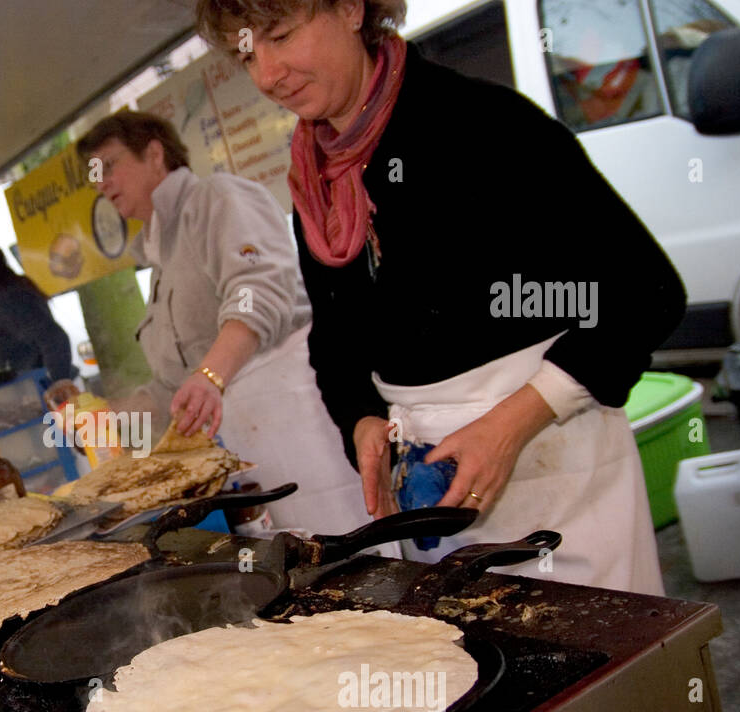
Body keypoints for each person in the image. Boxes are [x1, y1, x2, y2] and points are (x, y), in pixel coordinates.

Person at [197, 0, 685, 593]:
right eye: (248, 54)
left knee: (610, 670)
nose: (267, 74)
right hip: (430, 499)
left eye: (279, 36)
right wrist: (362, 421)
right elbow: (336, 340)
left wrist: (510, 424)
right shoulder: (320, 186)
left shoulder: (482, 123)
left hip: (556, 475)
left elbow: (646, 291)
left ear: (351, 9)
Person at [75, 111, 369, 532]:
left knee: (345, 546)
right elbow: (174, 388)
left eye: (109, 165)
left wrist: (211, 376)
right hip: (243, 448)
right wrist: (106, 415)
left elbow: (259, 288)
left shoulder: (216, 198)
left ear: (154, 153)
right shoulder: (159, 256)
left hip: (291, 418)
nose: (101, 182)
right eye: (93, 176)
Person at [0, 235, 78, 389]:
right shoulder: (8, 293)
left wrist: (59, 385)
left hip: (51, 394)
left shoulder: (7, 298)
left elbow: (54, 339)